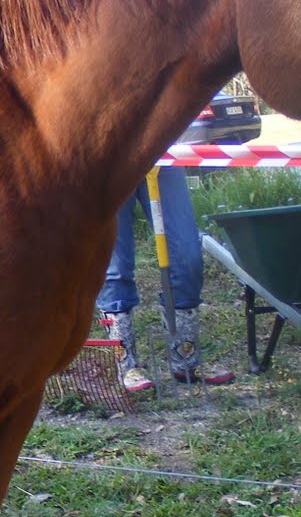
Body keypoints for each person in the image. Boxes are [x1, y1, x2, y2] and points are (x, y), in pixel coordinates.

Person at [96, 167, 234, 394]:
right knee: (116, 265)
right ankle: (126, 365)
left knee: (186, 258)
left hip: (162, 156)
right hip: (113, 157)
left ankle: (185, 360)